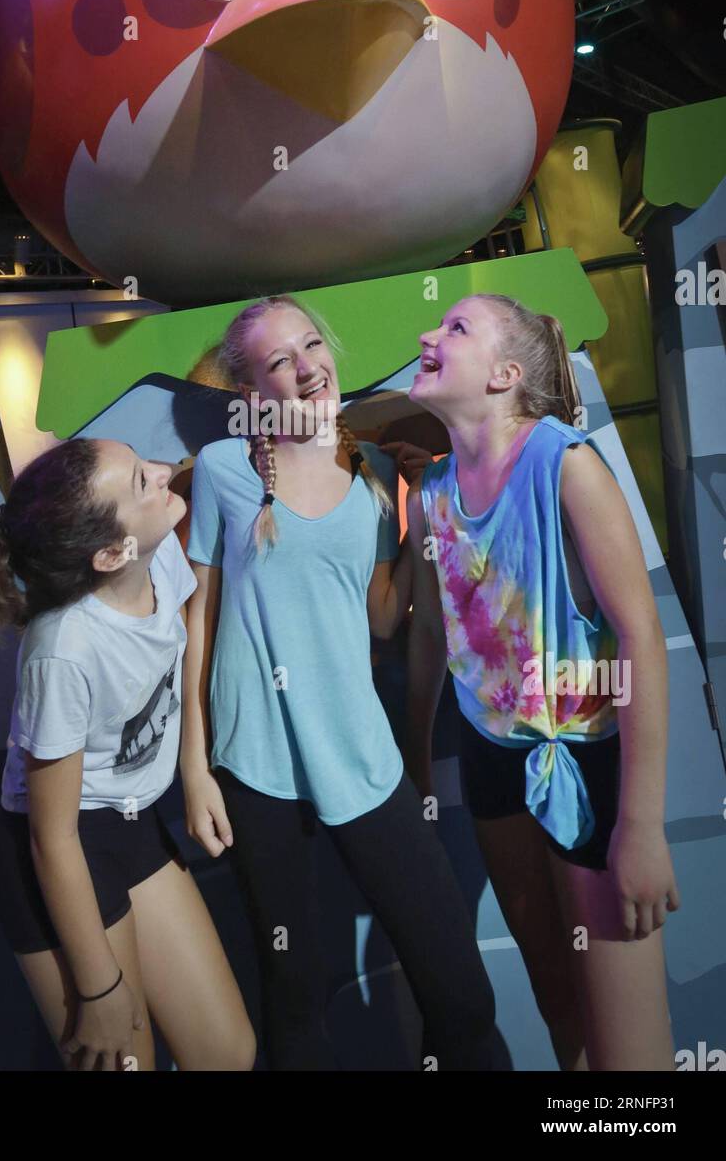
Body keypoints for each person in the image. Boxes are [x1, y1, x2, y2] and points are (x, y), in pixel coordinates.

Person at [180, 293, 511, 1071]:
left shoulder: (369, 471)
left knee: (460, 995)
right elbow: (196, 625)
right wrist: (194, 767)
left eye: (309, 346)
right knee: (295, 999)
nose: (304, 368)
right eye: (278, 362)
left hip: (360, 754)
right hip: (255, 765)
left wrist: (419, 524)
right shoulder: (225, 471)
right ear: (252, 393)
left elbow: (383, 620)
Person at [405, 293, 679, 1071]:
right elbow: (431, 630)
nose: (430, 333)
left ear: (505, 374)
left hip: (587, 765)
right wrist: (414, 756)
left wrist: (642, 826)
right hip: (493, 762)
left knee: (631, 1054)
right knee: (560, 1007)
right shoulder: (429, 497)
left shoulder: (567, 463)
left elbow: (640, 638)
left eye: (455, 327)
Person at [0, 437, 255, 1072]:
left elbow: (184, 651)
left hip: (130, 825)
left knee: (227, 1054)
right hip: (55, 852)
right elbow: (53, 839)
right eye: (141, 480)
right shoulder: (64, 649)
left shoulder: (159, 559)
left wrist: (194, 770)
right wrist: (100, 988)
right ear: (110, 553)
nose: (165, 472)